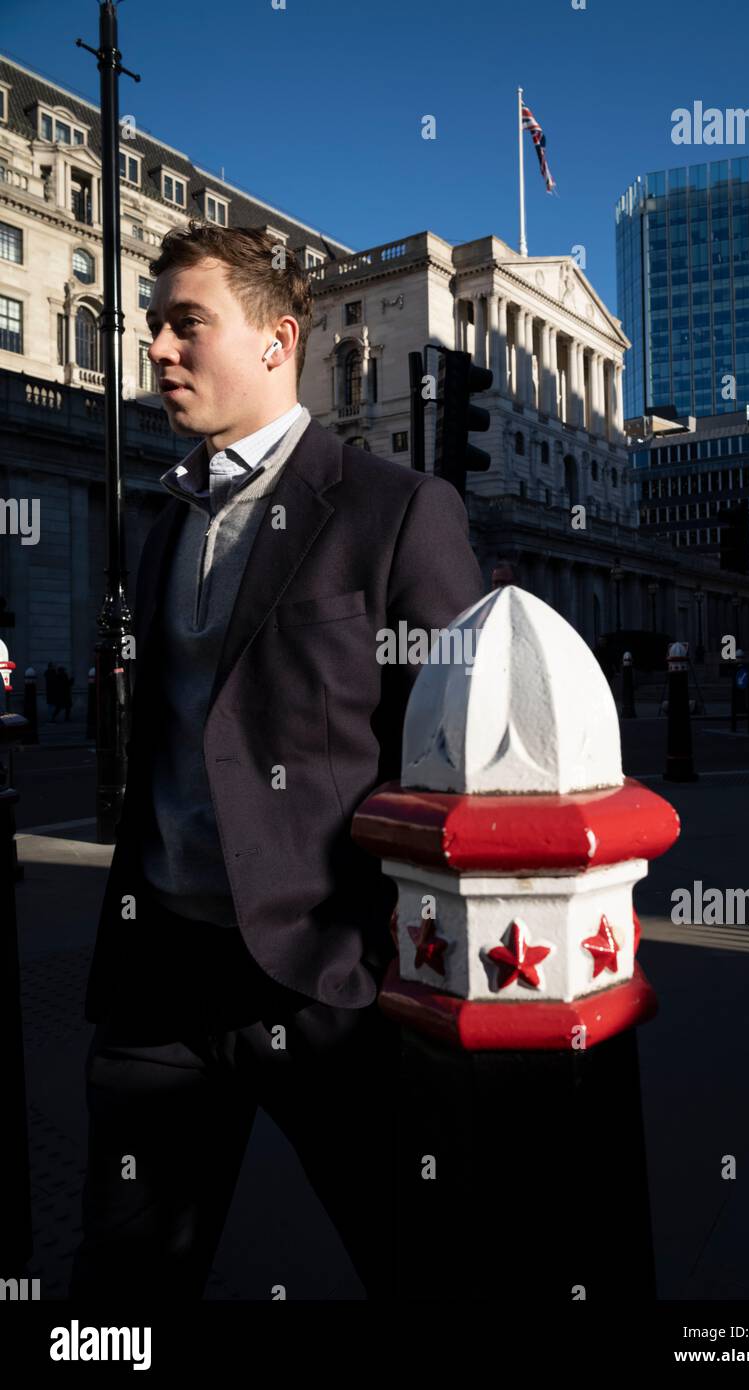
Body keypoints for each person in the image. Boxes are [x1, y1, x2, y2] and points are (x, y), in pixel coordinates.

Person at [69, 222, 485, 1302]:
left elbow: (455, 772)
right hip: (161, 981)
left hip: (322, 987)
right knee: (118, 1290)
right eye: (153, 324)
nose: (156, 346)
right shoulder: (168, 513)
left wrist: (388, 967)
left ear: (276, 339)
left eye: (185, 323)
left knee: (426, 1266)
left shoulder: (395, 513)